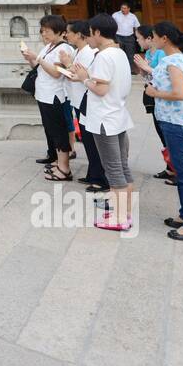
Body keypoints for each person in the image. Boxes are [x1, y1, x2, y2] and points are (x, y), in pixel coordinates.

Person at [138, 21, 183, 241]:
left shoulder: (173, 60)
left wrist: (154, 93)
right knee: (182, 170)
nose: (152, 40)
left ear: (164, 38)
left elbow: (179, 92)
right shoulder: (174, 58)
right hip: (172, 120)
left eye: (154, 36)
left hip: (177, 121)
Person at [70, 14, 136, 231]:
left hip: (104, 119)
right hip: (117, 115)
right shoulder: (118, 53)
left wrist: (84, 79)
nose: (89, 37)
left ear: (97, 32)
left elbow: (100, 88)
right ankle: (124, 212)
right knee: (122, 166)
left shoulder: (104, 56)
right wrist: (87, 75)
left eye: (90, 32)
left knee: (113, 168)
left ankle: (119, 217)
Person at [22, 15, 75, 181]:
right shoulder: (48, 47)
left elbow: (55, 73)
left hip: (55, 96)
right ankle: (58, 162)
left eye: (47, 31)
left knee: (59, 132)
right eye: (42, 31)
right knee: (51, 130)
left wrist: (37, 58)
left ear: (59, 31)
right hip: (43, 94)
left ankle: (64, 169)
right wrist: (32, 59)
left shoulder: (64, 49)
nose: (43, 34)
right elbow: (40, 68)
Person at [65, 19, 108, 193]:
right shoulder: (78, 51)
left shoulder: (90, 53)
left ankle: (101, 178)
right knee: (88, 140)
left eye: (69, 32)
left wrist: (69, 66)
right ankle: (93, 173)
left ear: (79, 34)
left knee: (92, 140)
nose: (66, 35)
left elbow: (88, 76)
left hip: (87, 98)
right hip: (78, 98)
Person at [135, 24, 173, 181]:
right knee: (160, 131)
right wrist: (142, 69)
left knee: (167, 133)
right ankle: (170, 167)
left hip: (161, 96)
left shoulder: (160, 53)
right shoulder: (149, 53)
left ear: (149, 38)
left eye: (139, 38)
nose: (138, 42)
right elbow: (147, 74)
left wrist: (146, 67)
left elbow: (163, 75)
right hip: (152, 95)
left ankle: (175, 168)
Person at [112, 3, 140, 68]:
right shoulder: (115, 15)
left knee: (130, 54)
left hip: (129, 37)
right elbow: (111, 25)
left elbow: (137, 27)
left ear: (128, 9)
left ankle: (131, 69)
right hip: (118, 36)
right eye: (122, 8)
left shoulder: (133, 16)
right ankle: (119, 68)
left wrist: (138, 36)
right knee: (119, 53)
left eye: (124, 8)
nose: (123, 10)